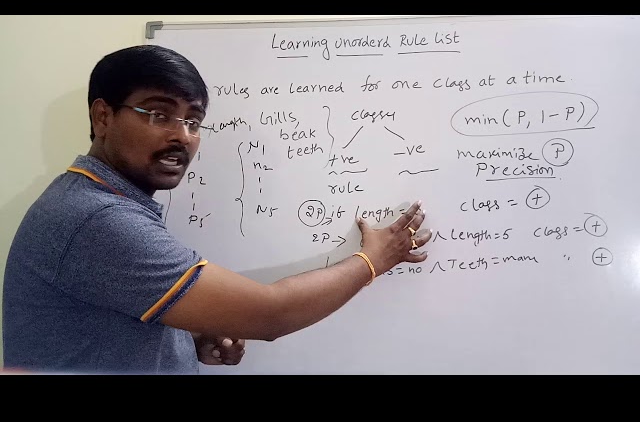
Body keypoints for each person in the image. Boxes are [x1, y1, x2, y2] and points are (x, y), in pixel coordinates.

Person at [2, 44, 432, 375]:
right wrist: (374, 258)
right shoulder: (99, 219)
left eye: (193, 120)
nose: (182, 136)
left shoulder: (98, 200)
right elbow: (270, 315)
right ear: (103, 117)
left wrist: (181, 342)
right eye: (159, 114)